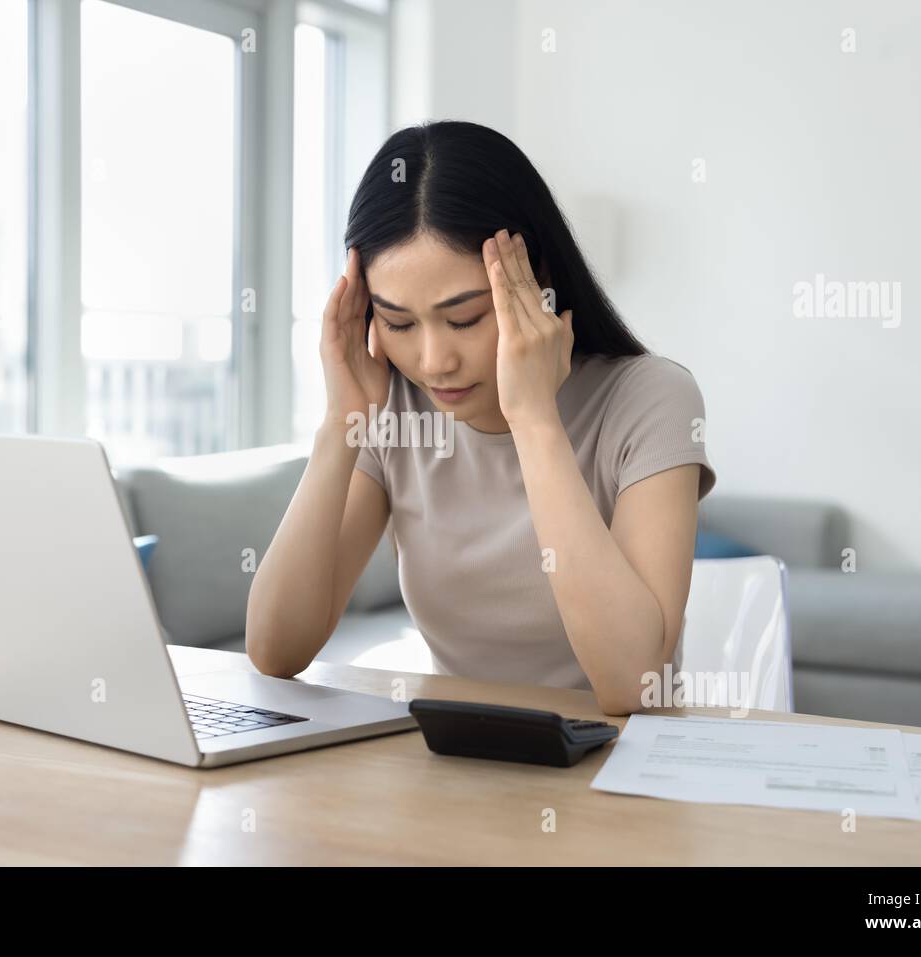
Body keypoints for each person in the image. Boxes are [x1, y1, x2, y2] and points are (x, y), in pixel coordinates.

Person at [246, 120, 716, 714]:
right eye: (398, 323)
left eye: (464, 318)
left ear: (535, 284)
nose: (434, 360)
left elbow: (631, 686)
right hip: (458, 772)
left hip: (618, 778)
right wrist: (342, 424)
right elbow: (273, 648)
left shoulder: (650, 398)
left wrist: (534, 418)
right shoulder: (394, 413)